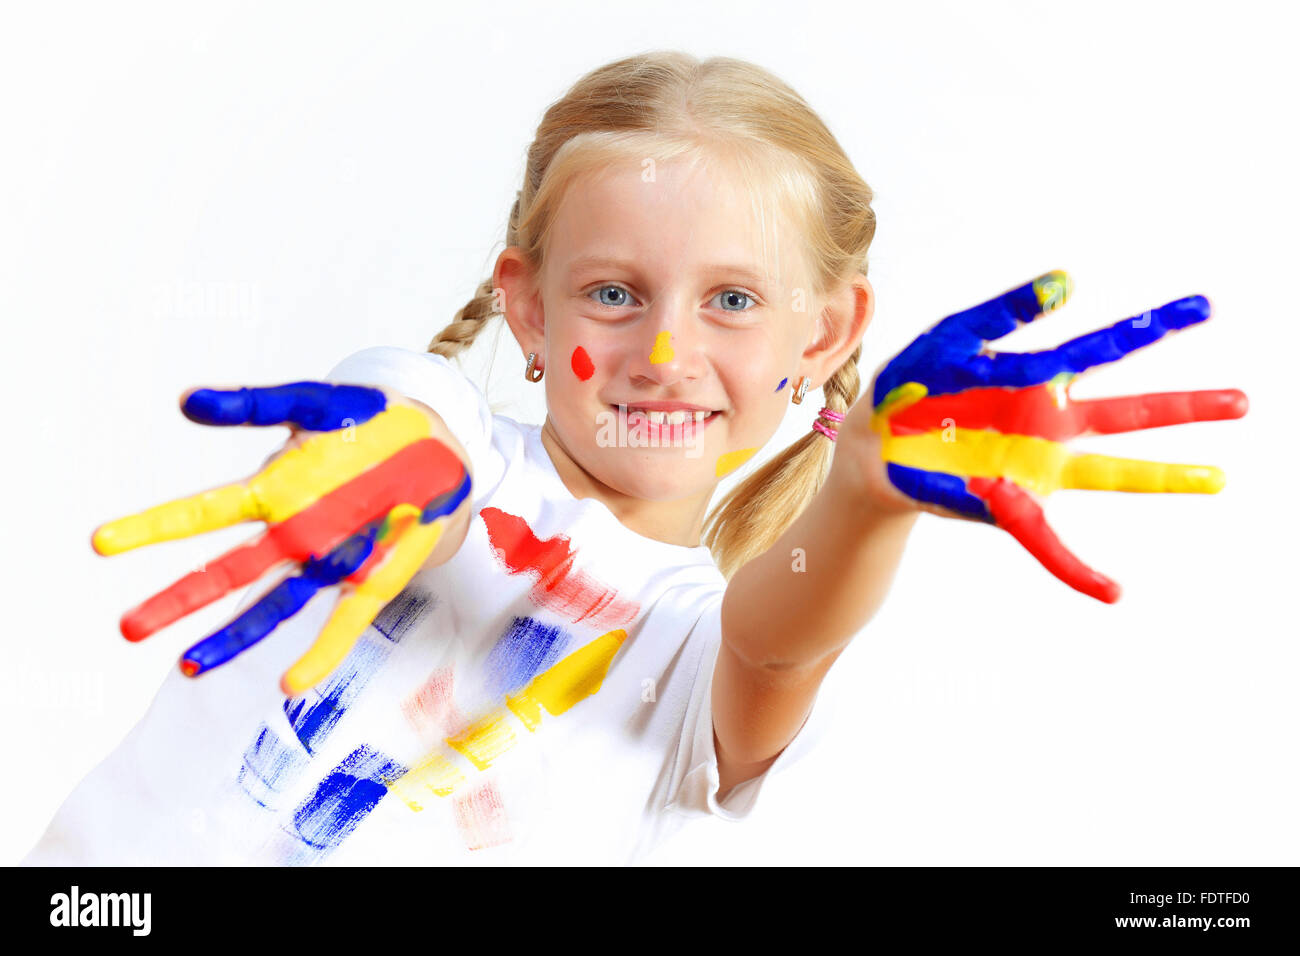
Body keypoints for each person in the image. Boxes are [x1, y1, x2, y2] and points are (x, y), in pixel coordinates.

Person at [21, 50, 1243, 867]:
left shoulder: (692, 651)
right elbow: (407, 435)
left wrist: (869, 488)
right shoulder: (432, 423)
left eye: (729, 300)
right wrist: (397, 468)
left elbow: (777, 638)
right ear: (532, 312)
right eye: (612, 291)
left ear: (822, 338)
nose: (665, 349)